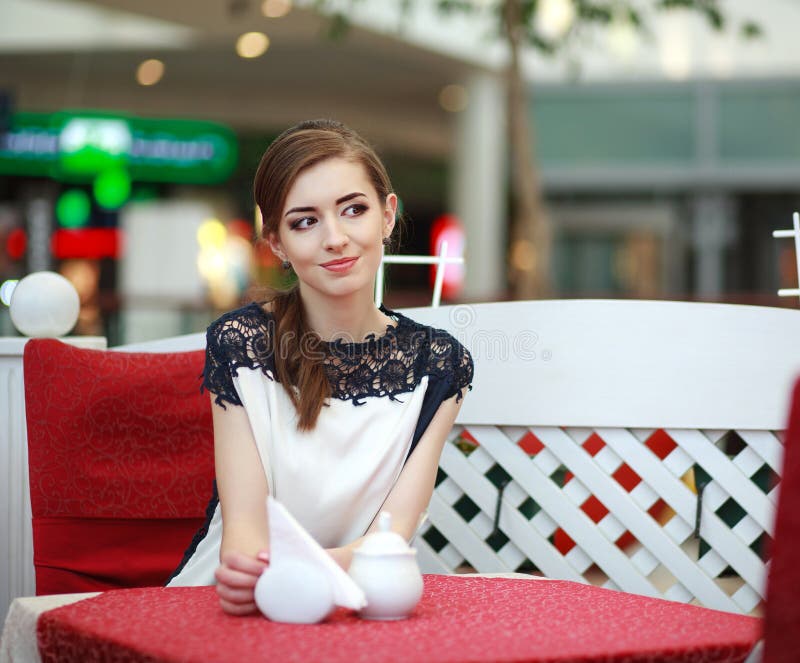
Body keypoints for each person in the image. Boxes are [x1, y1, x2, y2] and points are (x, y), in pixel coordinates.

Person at [167, 119, 474, 615]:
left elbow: (387, 542)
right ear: (277, 244)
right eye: (305, 221)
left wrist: (305, 573)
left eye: (354, 210)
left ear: (387, 216)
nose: (335, 238)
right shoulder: (241, 345)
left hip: (361, 602)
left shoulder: (439, 366)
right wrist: (280, 576)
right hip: (238, 599)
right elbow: (243, 541)